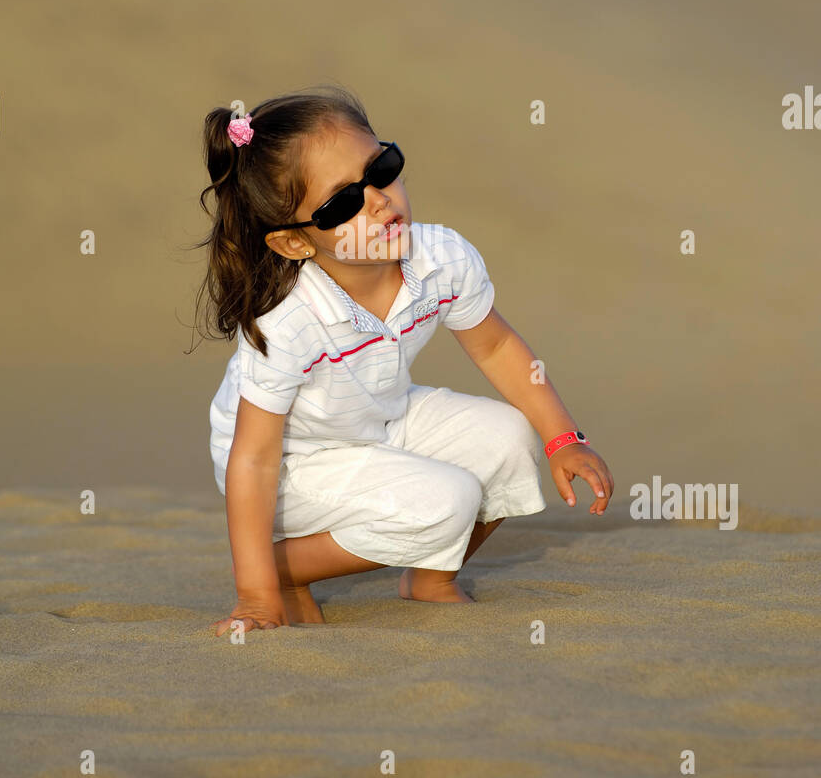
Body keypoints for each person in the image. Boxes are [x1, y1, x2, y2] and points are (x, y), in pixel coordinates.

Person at [193, 84, 613, 634]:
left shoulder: (440, 257)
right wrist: (255, 599)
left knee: (510, 439)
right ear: (295, 244)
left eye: (382, 168)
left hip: (379, 419)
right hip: (294, 463)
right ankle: (281, 572)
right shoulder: (290, 319)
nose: (378, 199)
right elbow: (253, 459)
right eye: (342, 202)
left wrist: (563, 438)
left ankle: (431, 578)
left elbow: (497, 346)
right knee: (449, 499)